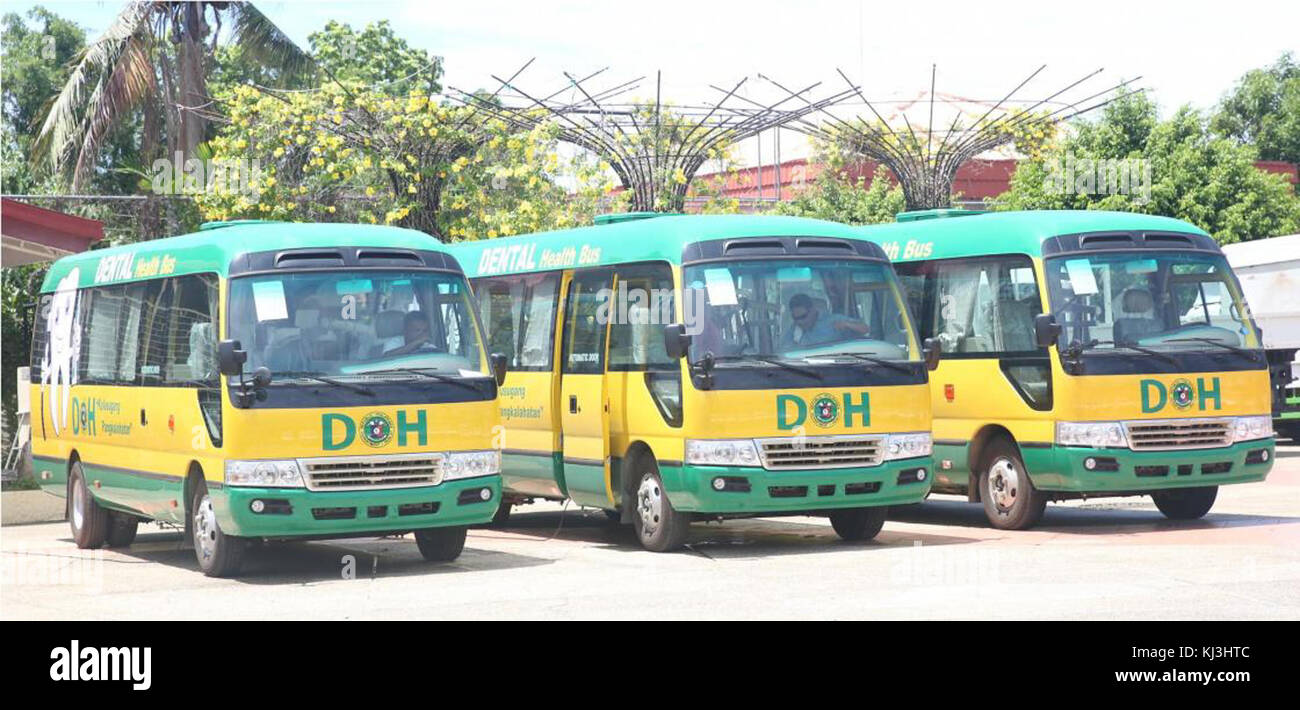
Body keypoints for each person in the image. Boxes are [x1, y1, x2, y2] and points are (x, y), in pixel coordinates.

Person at [780, 293, 869, 350]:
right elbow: (782, 351)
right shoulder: (795, 328)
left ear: (812, 310)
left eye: (803, 317)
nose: (800, 322)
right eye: (795, 318)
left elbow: (865, 329)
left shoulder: (833, 320)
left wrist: (847, 325)